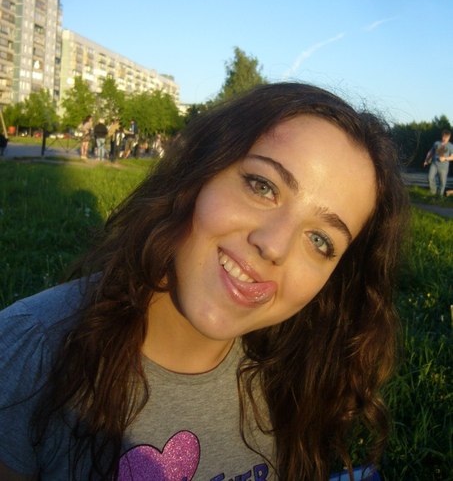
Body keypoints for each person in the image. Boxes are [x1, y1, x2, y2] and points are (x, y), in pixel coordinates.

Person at [0, 83, 409, 481]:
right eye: (263, 186)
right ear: (199, 172)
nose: (274, 246)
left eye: (320, 240)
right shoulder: (29, 354)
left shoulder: (293, 383)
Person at [423, 129, 453, 196]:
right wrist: (426, 160)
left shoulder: (451, 146)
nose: (444, 139)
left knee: (442, 182)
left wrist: (445, 158)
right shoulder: (436, 143)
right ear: (442, 136)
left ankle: (439, 196)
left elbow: (452, 157)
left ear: (449, 137)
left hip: (444, 167)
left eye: (446, 137)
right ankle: (433, 192)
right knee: (430, 178)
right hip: (434, 164)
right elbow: (431, 152)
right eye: (443, 137)